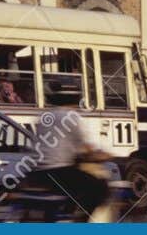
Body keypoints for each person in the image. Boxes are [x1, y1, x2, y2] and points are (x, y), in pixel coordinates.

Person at [20, 76, 111, 220]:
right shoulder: (71, 117)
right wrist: (104, 155)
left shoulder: (44, 116)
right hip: (58, 172)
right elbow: (87, 149)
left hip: (35, 172)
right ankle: (80, 221)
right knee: (100, 188)